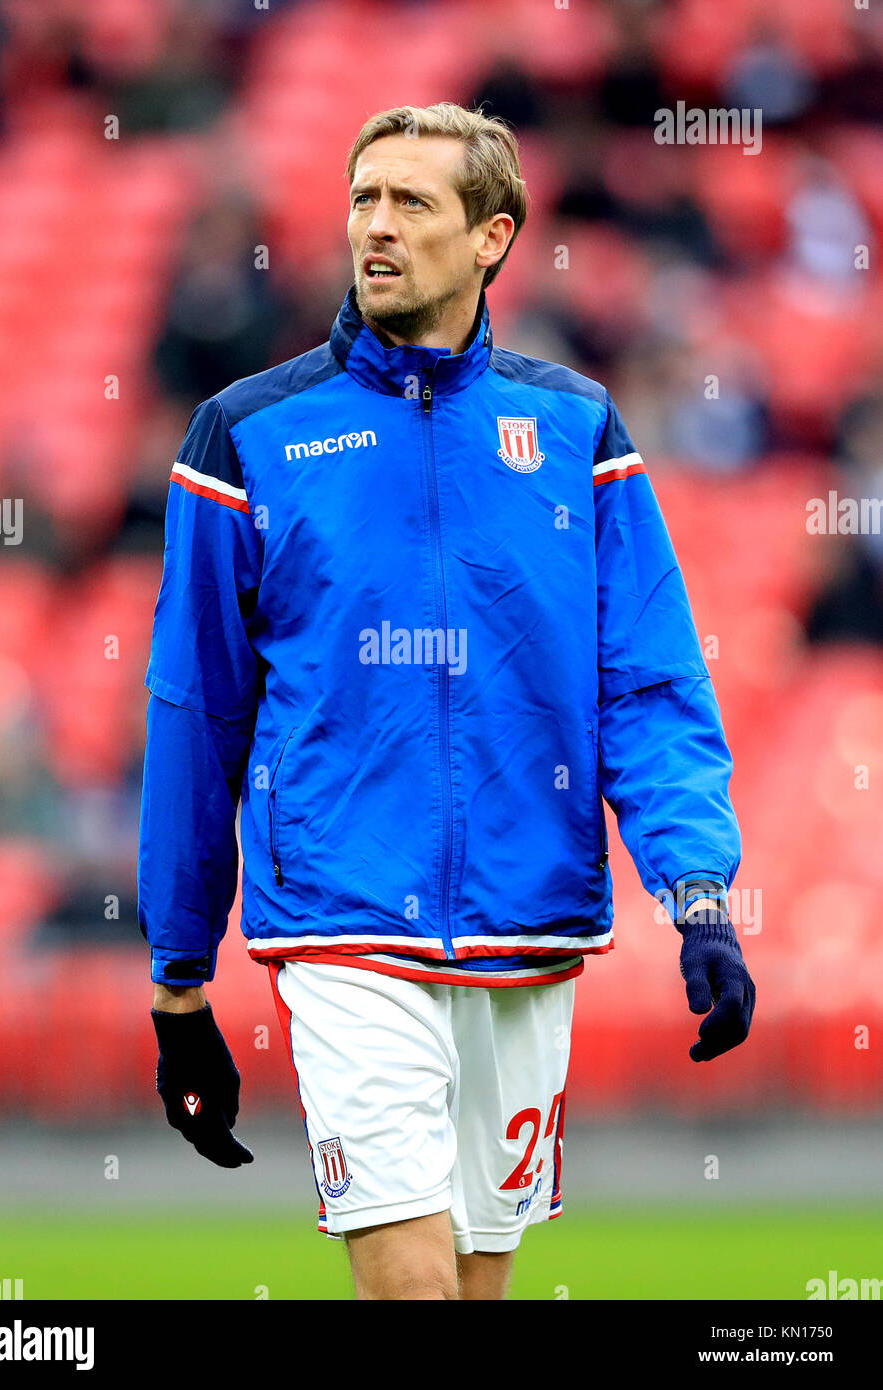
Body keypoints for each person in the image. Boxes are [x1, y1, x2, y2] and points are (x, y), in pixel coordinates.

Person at [138, 102, 756, 1302]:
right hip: (343, 918)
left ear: (493, 236)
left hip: (531, 922)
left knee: (478, 1290)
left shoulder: (577, 430)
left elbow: (646, 680)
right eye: (363, 198)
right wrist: (178, 979)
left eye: (411, 203)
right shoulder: (249, 434)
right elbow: (194, 713)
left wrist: (700, 897)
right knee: (412, 1286)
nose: (375, 226)